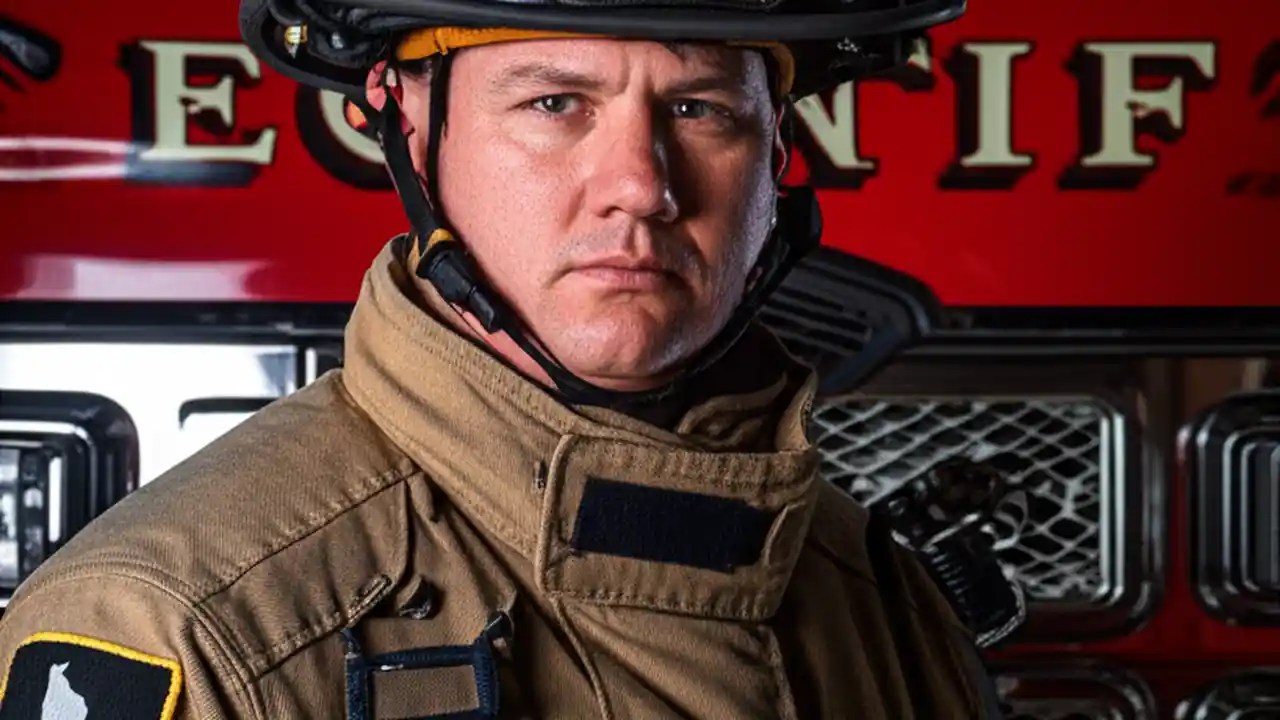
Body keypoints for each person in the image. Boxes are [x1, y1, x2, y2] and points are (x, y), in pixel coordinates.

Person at [0, 0, 1005, 717]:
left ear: (775, 151)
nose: (639, 188)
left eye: (700, 109)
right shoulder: (181, 628)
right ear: (404, 119)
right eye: (554, 103)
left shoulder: (878, 600)